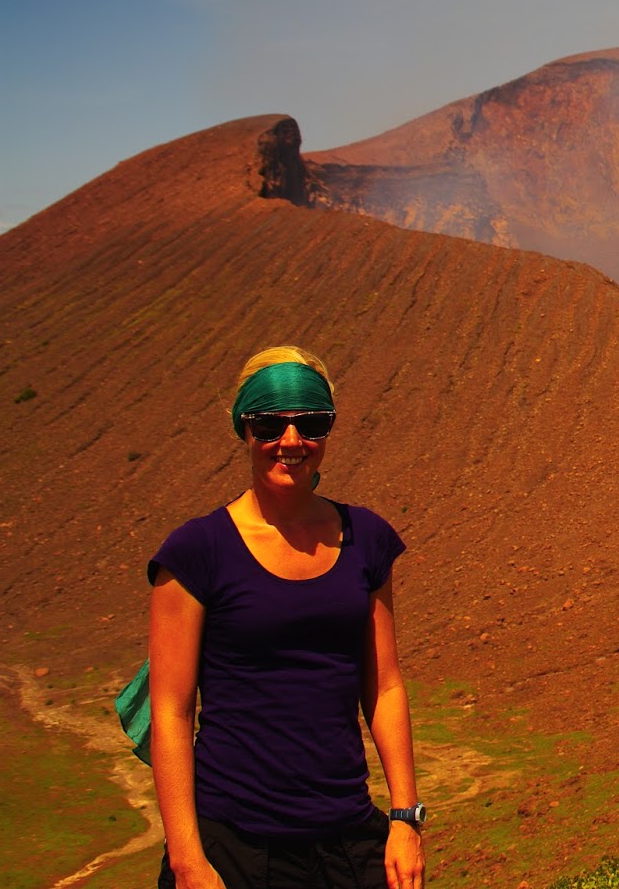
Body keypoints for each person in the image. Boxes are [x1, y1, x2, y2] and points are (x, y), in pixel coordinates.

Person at [148, 345, 425, 888]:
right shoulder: (197, 551)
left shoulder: (367, 539)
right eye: (271, 424)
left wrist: (405, 818)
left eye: (312, 423)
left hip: (347, 840)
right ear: (244, 431)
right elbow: (171, 710)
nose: (291, 442)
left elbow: (385, 684)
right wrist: (187, 860)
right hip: (231, 846)